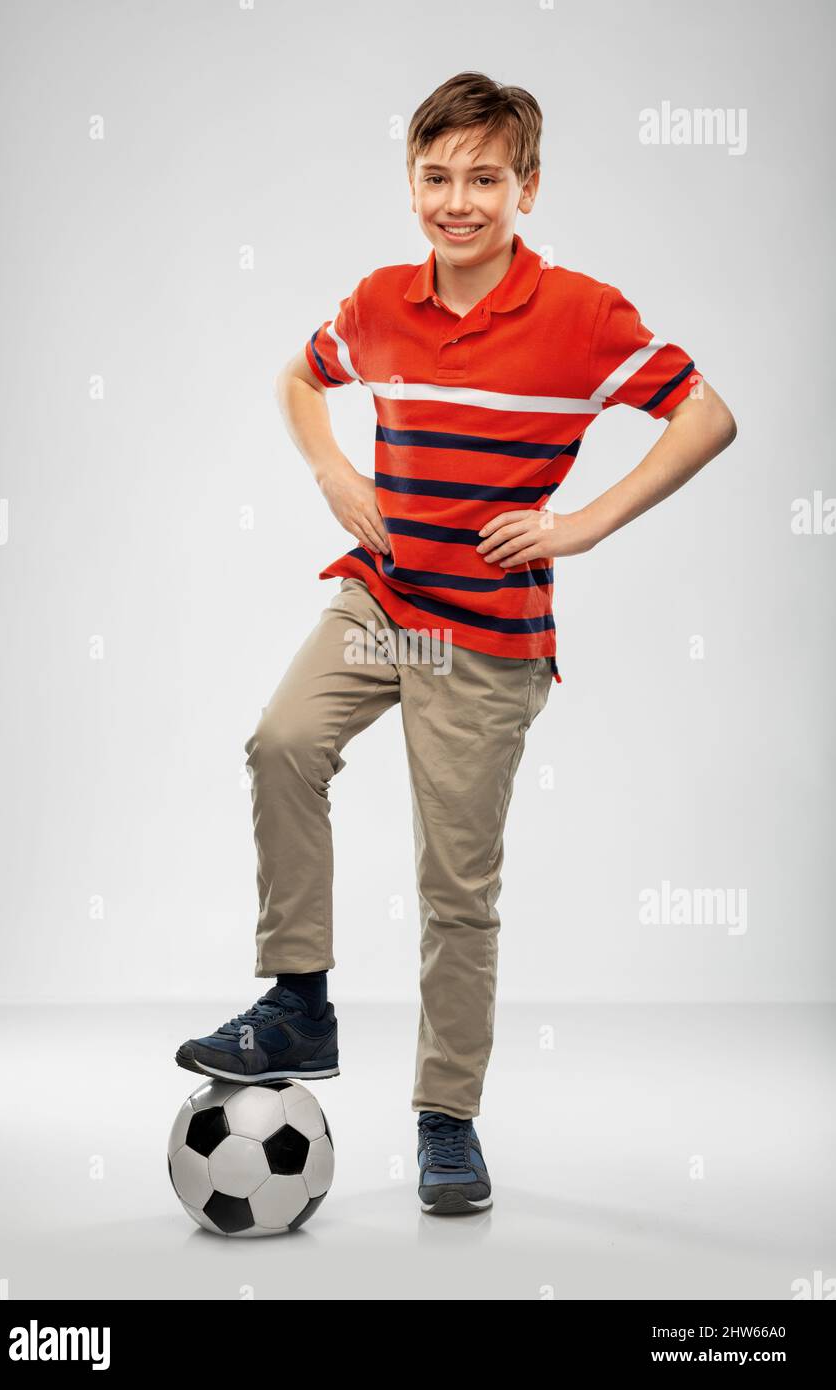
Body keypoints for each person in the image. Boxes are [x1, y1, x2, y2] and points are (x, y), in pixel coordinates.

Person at [176, 71, 737, 1216]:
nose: (458, 200)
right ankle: (296, 998)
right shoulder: (381, 301)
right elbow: (298, 376)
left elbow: (705, 414)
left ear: (527, 187)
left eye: (485, 177)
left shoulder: (582, 315)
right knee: (283, 740)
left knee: (455, 888)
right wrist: (334, 468)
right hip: (381, 602)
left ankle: (446, 1121)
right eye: (436, 176)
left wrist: (577, 524)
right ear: (411, 182)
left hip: (486, 640)